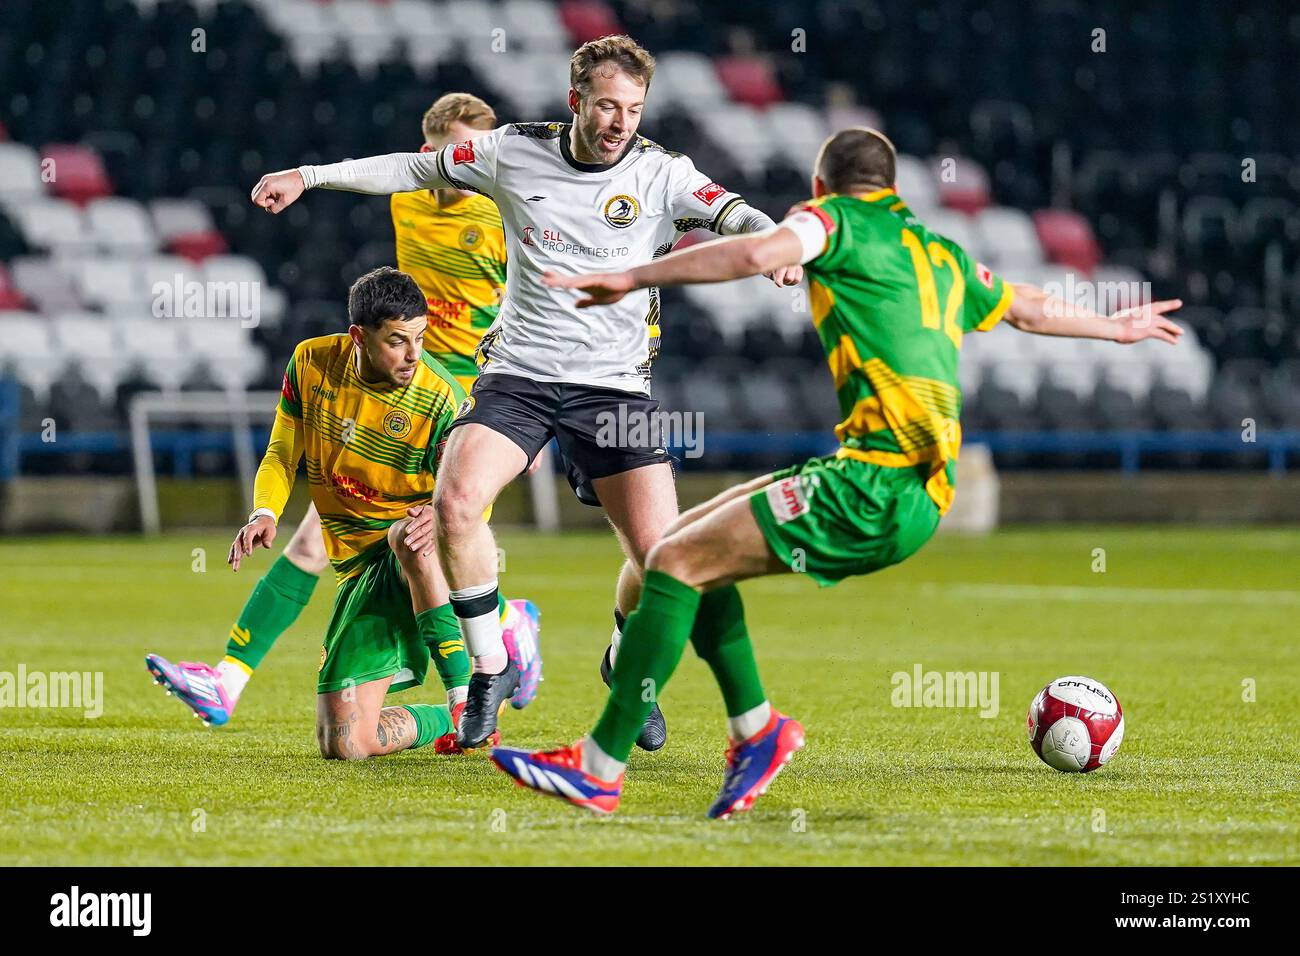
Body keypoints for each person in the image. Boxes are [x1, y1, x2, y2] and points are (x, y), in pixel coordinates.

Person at [490, 127, 1184, 816]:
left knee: (671, 564)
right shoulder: (938, 252)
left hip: (875, 486)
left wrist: (631, 276)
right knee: (682, 548)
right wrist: (1114, 327)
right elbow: (1026, 306)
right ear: (893, 188)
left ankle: (604, 767)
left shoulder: (832, 221)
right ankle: (754, 733)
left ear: (820, 187)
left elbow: (758, 251)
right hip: (900, 486)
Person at [247, 35, 801, 749]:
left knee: (661, 556)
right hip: (520, 375)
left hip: (615, 388)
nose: (620, 122)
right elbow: (411, 167)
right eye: (607, 105)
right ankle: (489, 668)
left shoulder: (663, 174)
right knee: (454, 503)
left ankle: (622, 661)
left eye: (633, 108)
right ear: (576, 100)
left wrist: (777, 250)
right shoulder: (512, 151)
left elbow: (741, 216)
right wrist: (308, 175)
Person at [146, 93, 541, 728]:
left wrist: (519, 410)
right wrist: (304, 178)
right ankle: (226, 681)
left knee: (439, 538)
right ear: (429, 152)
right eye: (457, 151)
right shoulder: (408, 196)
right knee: (318, 538)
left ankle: (482, 666)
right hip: (396, 375)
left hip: (465, 399)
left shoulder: (501, 213)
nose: (469, 163)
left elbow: (532, 298)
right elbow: (370, 171)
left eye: (479, 153)